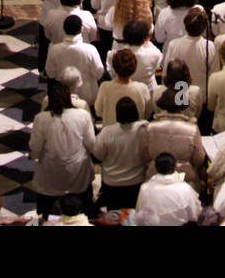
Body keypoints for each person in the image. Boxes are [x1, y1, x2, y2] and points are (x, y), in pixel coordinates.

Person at [29, 80, 96, 216]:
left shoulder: (41, 118)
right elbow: (91, 145)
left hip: (51, 176)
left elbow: (35, 147)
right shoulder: (83, 115)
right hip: (78, 175)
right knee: (85, 213)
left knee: (46, 214)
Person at [92, 97, 148, 210]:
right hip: (136, 182)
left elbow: (98, 156)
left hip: (112, 183)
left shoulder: (107, 132)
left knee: (113, 215)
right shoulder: (143, 129)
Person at [135, 152, 201, 224]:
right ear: (174, 167)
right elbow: (194, 215)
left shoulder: (145, 189)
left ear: (156, 168)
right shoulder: (185, 189)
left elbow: (139, 213)